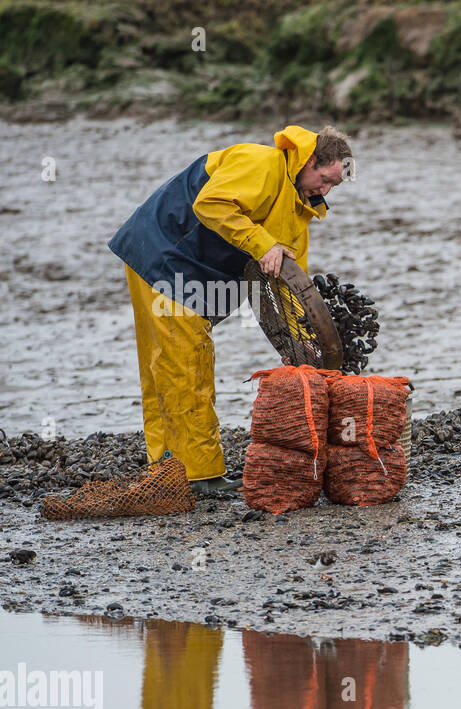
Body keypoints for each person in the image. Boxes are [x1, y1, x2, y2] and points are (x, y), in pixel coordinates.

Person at [108, 124, 351, 492]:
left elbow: (290, 288)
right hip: (163, 251)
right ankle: (196, 476)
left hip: (191, 268)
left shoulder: (298, 206)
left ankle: (167, 466)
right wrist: (261, 243)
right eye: (324, 178)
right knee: (184, 361)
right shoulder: (261, 163)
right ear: (310, 160)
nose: (325, 190)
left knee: (168, 363)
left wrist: (308, 350)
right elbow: (211, 203)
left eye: (334, 186)